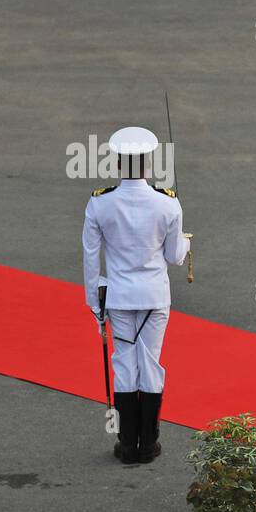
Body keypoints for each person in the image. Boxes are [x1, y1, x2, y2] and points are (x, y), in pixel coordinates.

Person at [82, 126, 190, 464]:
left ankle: (127, 444)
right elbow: (174, 257)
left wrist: (94, 303)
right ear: (148, 164)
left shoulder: (100, 202)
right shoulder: (167, 203)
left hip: (119, 297)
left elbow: (90, 257)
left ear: (116, 164)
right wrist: (186, 243)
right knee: (152, 364)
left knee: (124, 365)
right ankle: (149, 445)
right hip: (155, 297)